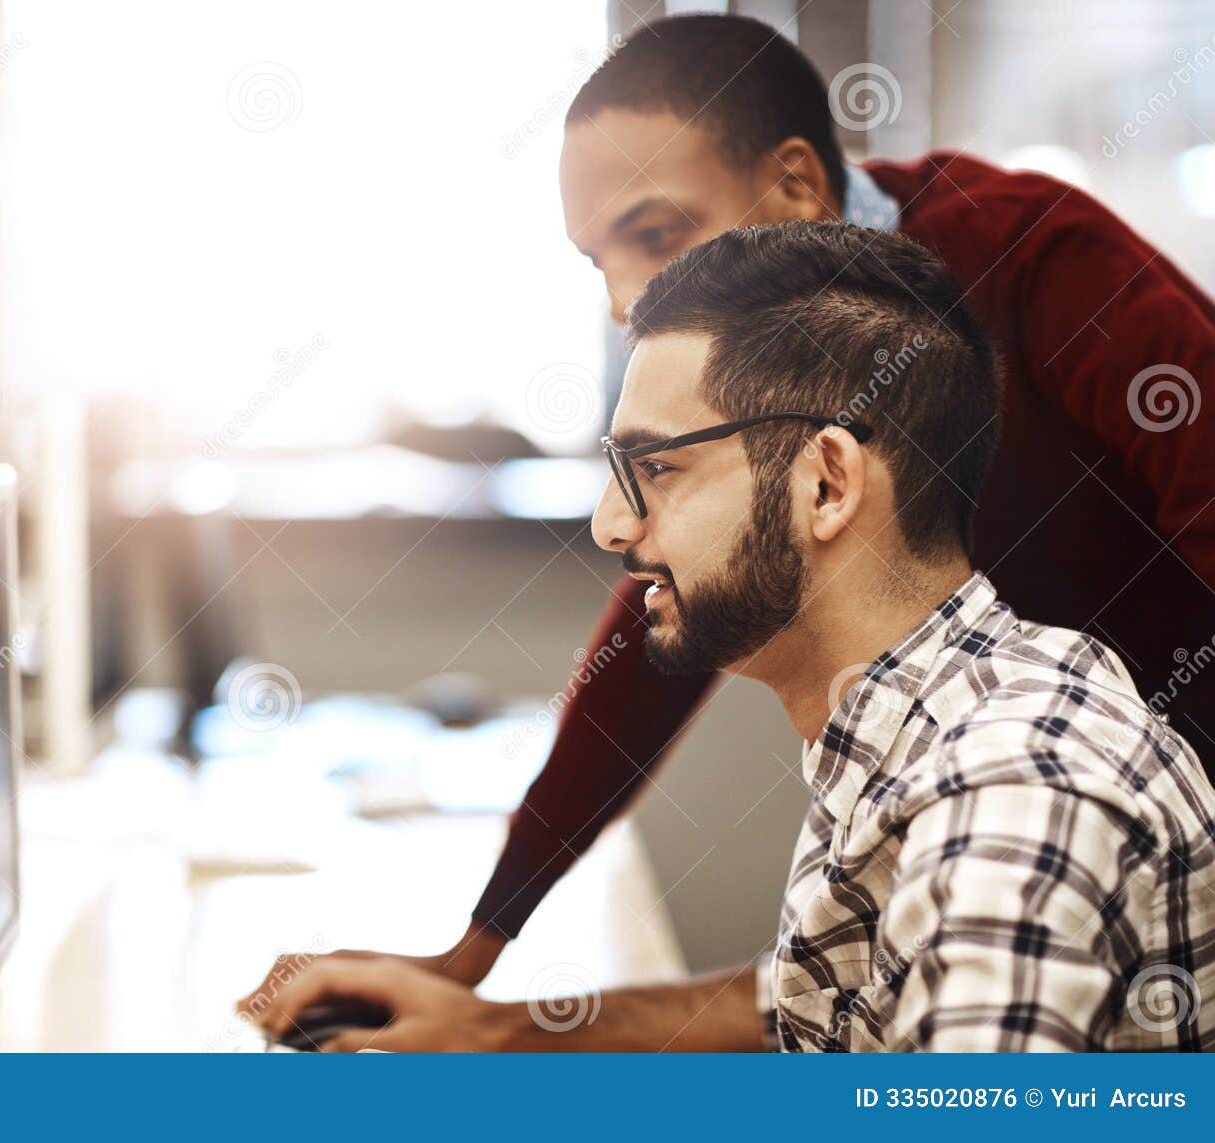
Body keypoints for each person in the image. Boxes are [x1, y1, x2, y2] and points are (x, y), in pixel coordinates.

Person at [243, 13, 1215, 1029]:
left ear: (797, 187)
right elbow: (676, 596)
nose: (626, 298)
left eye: (656, 235)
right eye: (597, 261)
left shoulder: (1031, 253)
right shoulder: (885, 750)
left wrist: (1114, 765)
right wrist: (477, 957)